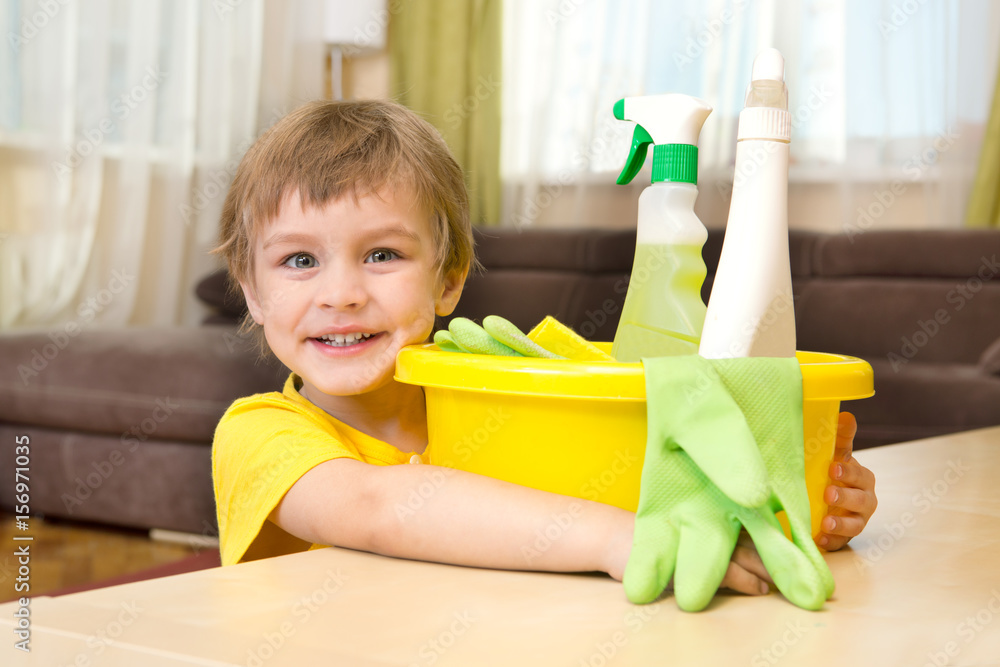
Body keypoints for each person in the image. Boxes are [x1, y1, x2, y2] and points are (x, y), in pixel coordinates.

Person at [211, 100, 877, 598]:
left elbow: (642, 477)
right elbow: (377, 505)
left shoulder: (507, 396)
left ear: (448, 278)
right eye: (300, 259)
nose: (342, 293)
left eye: (382, 253)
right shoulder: (257, 434)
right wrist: (618, 536)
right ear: (253, 291)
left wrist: (791, 508)